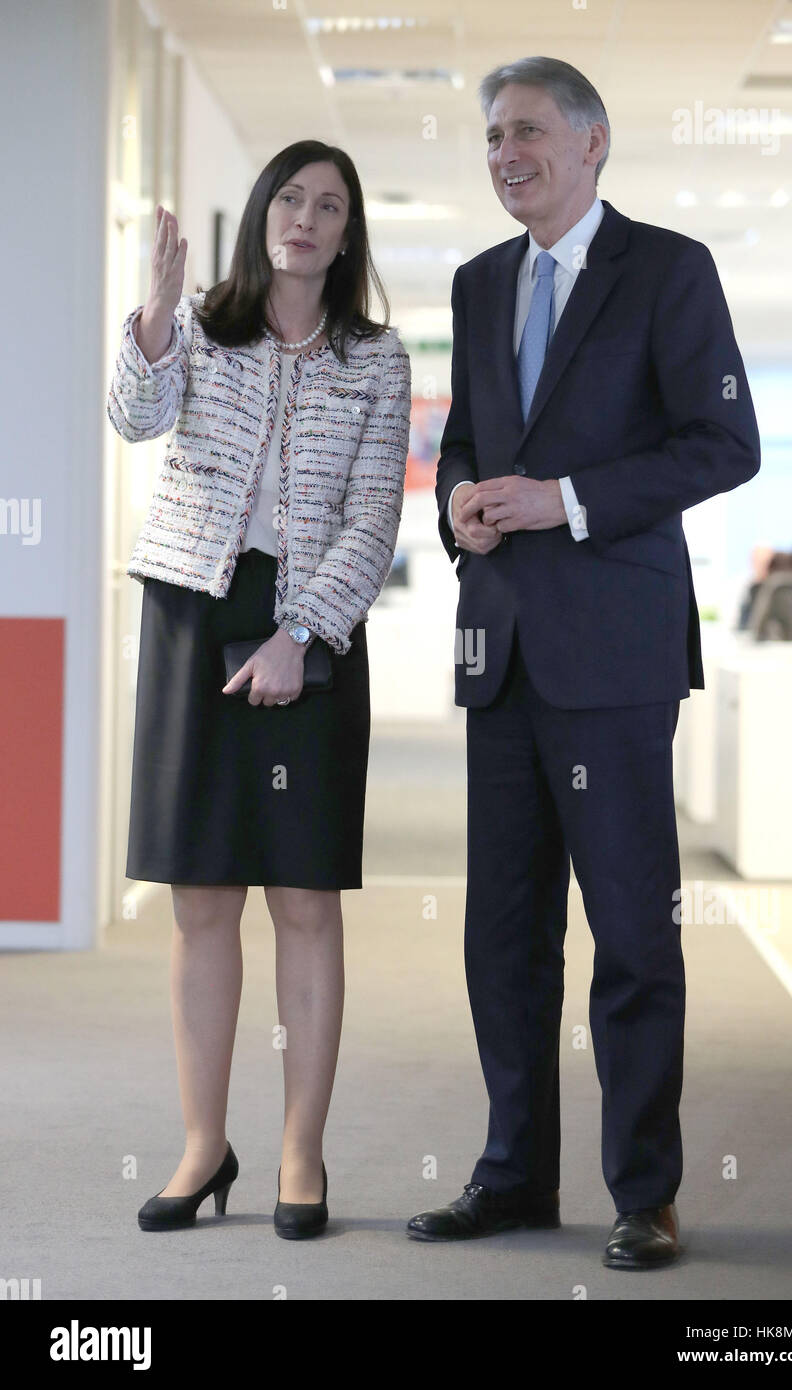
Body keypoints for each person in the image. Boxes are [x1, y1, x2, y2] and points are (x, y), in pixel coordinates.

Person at [407, 57, 760, 1268]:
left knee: (630, 931)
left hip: (614, 655)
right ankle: (511, 1175)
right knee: (502, 936)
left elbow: (725, 442)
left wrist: (563, 499)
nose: (505, 153)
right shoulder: (474, 282)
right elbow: (463, 442)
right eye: (492, 135)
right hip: (499, 649)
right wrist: (457, 497)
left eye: (528, 132)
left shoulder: (667, 270)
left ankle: (643, 1190)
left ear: (593, 142)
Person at [107, 140, 411, 1238]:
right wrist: (149, 315)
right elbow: (135, 418)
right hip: (193, 609)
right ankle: (202, 1144)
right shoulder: (200, 322)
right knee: (198, 898)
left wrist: (299, 633)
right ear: (262, 212)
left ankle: (298, 1151)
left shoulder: (376, 358)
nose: (307, 218)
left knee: (303, 900)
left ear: (346, 231)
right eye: (291, 197)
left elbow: (373, 520)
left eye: (331, 205)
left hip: (312, 624)